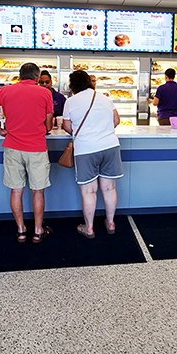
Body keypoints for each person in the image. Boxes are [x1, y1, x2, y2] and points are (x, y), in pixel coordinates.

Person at [0, 62, 54, 243]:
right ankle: (37, 231)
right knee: (38, 191)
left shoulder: (5, 91)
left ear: (19, 76)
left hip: (12, 147)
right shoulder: (45, 93)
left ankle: (20, 231)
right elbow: (49, 125)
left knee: (16, 190)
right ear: (37, 78)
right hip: (36, 148)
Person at [62, 70, 122, 239]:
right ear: (89, 82)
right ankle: (110, 223)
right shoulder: (105, 98)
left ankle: (89, 228)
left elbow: (67, 127)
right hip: (110, 146)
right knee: (109, 188)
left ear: (72, 86)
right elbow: (116, 121)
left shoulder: (71, 102)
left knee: (89, 192)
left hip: (86, 149)